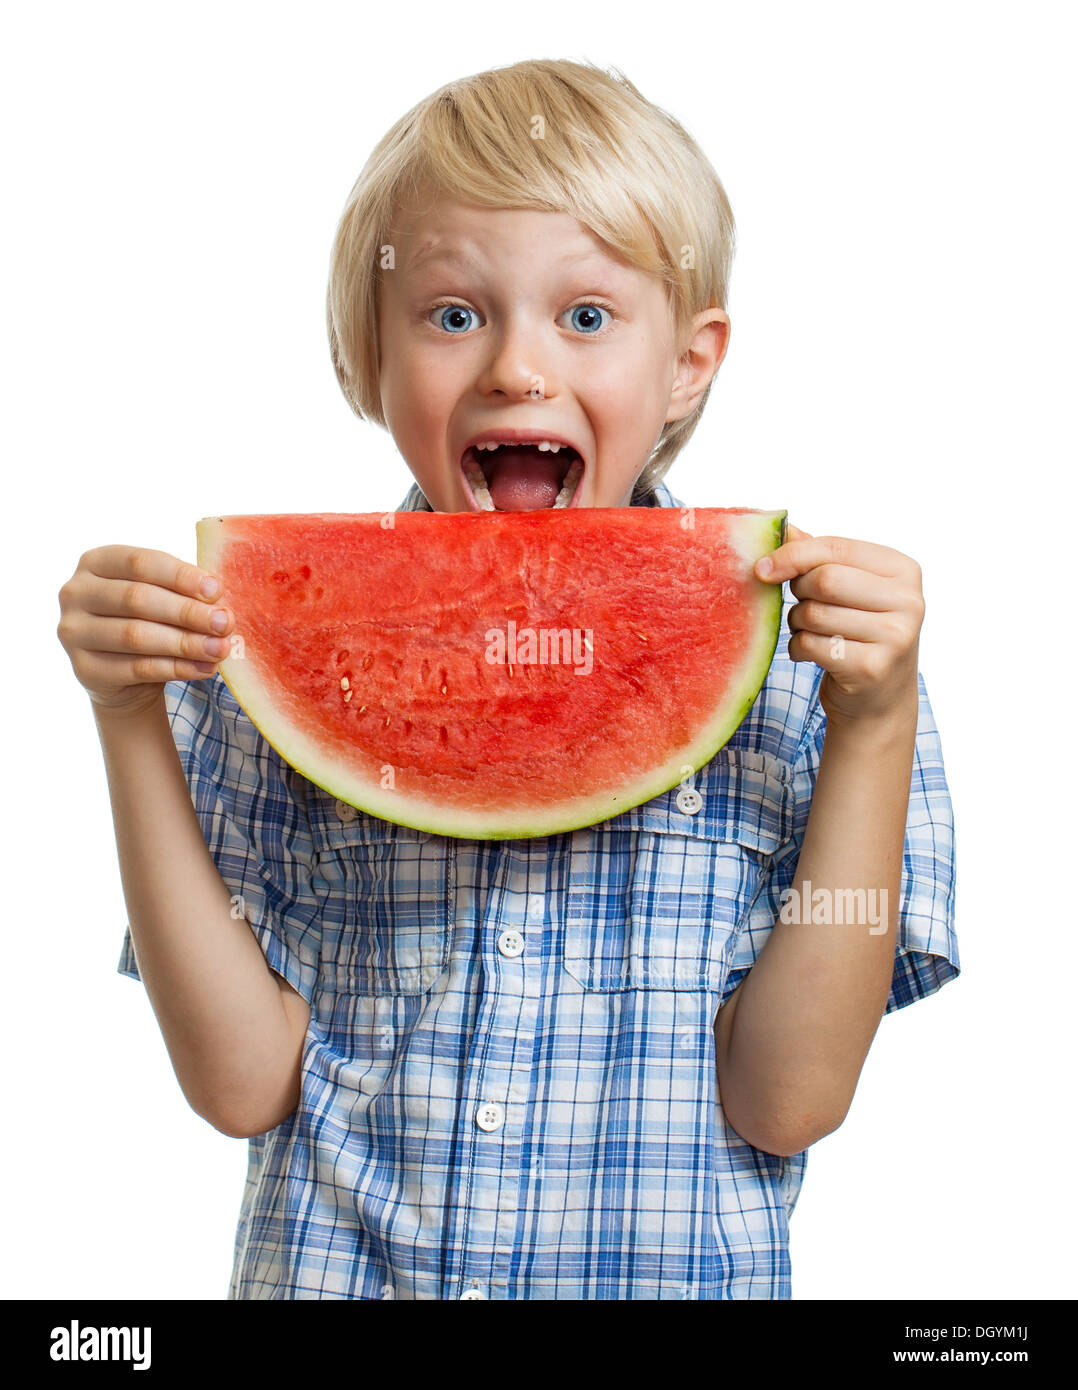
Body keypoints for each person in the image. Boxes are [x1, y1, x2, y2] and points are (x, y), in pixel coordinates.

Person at [57, 58, 958, 1299]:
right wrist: (127, 716)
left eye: (585, 317)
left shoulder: (817, 677)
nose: (515, 369)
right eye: (452, 313)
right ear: (365, 354)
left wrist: (877, 725)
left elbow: (790, 1099)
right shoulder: (250, 659)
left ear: (689, 363)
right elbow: (238, 1083)